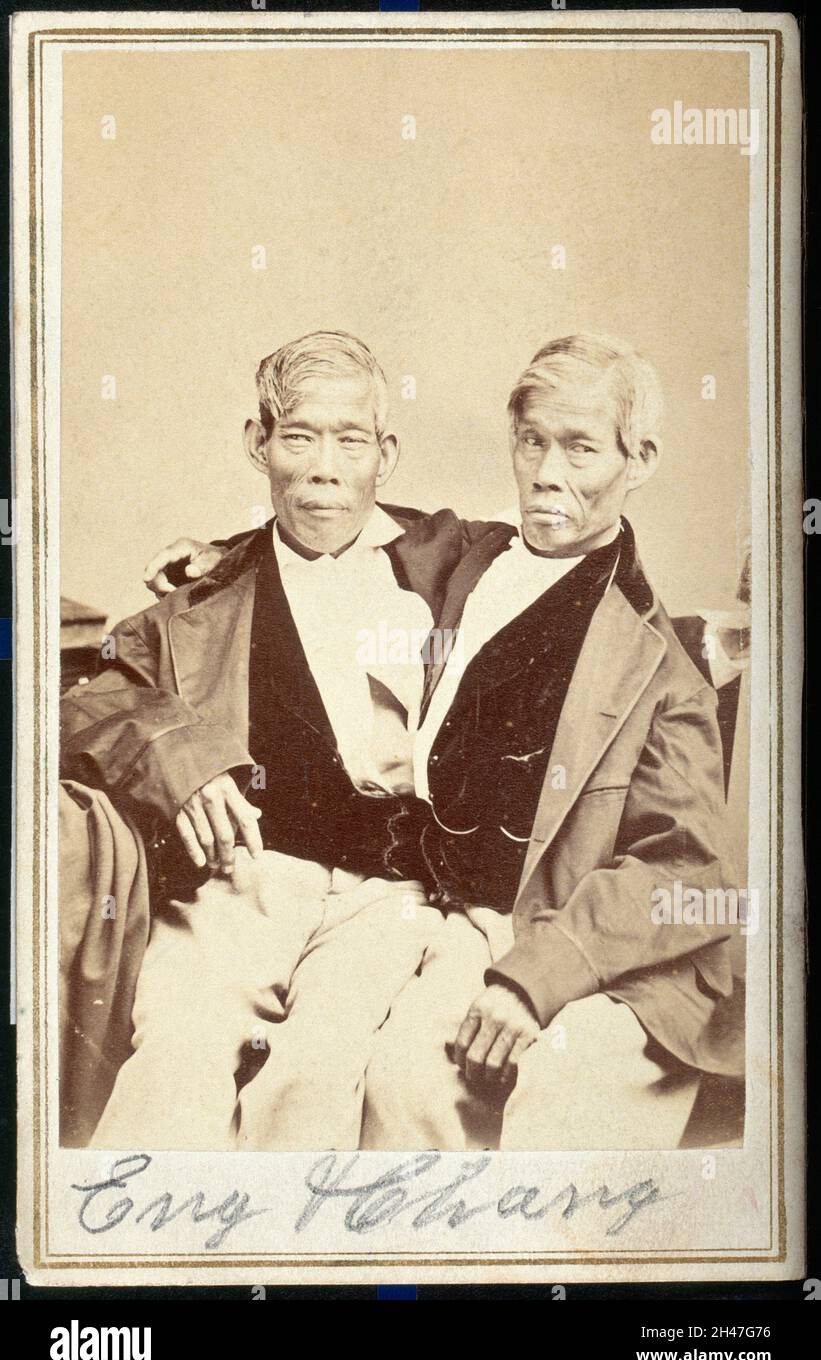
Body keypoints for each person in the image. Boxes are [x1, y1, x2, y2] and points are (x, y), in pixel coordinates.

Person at [140, 334, 742, 1151]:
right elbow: (325, 525)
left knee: (415, 1088)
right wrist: (214, 559)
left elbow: (690, 870)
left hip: (552, 923)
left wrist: (540, 976)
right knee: (375, 1078)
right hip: (442, 914)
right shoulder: (467, 553)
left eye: (580, 448)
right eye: (532, 441)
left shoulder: (658, 665)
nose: (549, 474)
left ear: (638, 458)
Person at [61, 330, 496, 1150]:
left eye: (350, 439)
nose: (325, 465)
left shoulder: (462, 560)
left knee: (316, 1076)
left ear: (386, 453)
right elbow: (89, 697)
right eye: (298, 436)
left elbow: (578, 567)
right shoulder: (207, 593)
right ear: (257, 444)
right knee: (173, 1061)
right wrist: (178, 757)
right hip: (241, 883)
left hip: (389, 895)